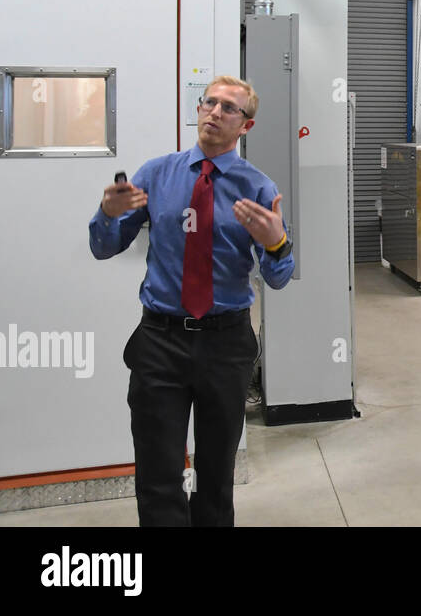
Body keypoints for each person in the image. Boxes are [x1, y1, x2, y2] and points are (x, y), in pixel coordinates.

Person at [89, 75, 294, 526]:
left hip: (226, 344)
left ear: (247, 125)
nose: (215, 112)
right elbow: (104, 247)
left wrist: (277, 243)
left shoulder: (258, 188)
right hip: (160, 343)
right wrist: (107, 215)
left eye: (229, 108)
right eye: (209, 103)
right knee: (158, 474)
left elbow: (279, 277)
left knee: (215, 476)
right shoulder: (156, 174)